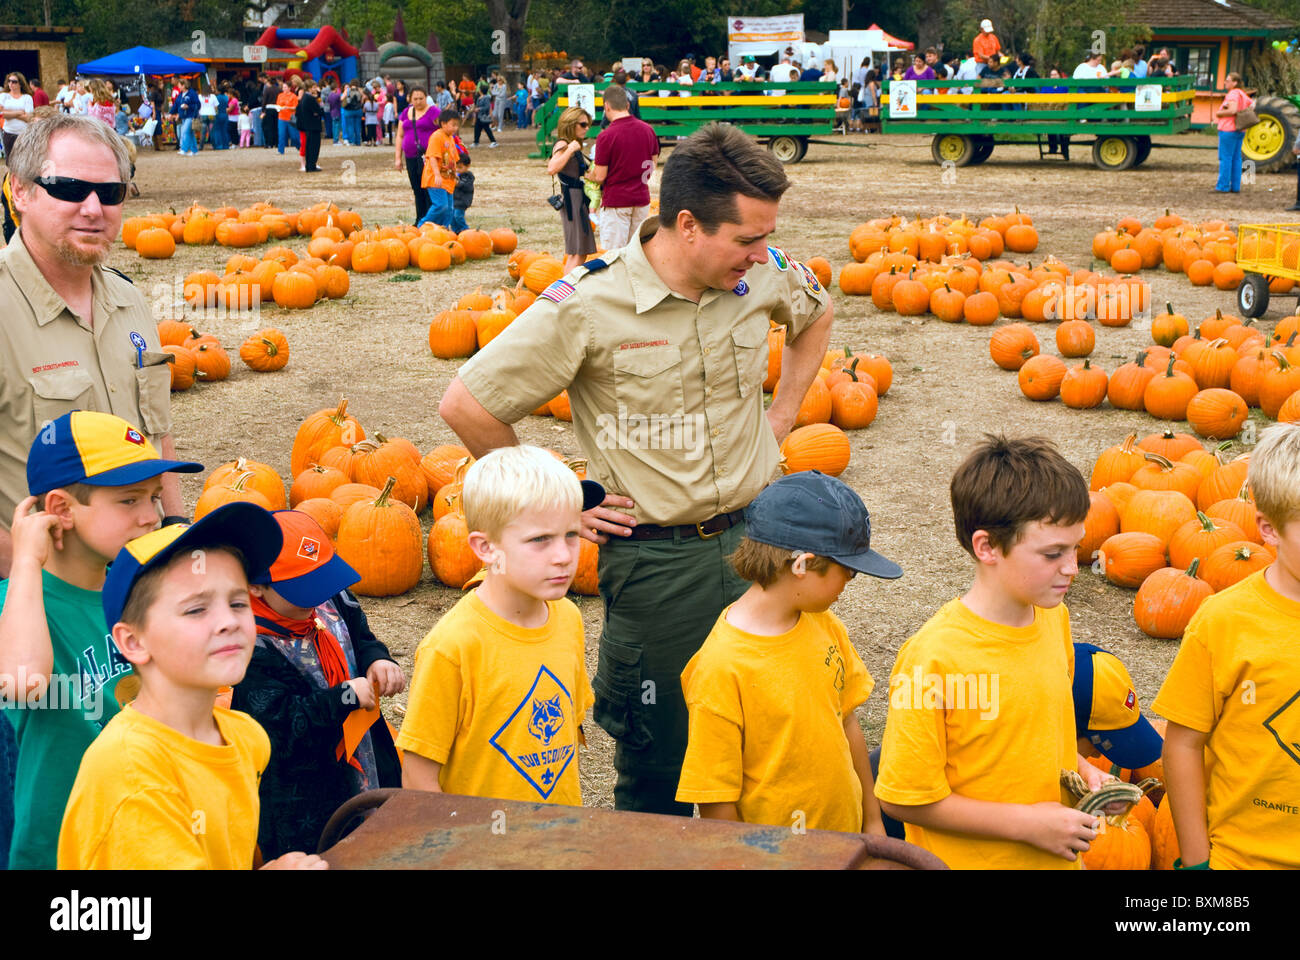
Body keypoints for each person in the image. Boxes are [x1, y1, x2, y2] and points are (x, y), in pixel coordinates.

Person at [438, 123, 834, 815]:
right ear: (687, 225)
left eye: (765, 237)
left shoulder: (762, 270)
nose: (760, 252)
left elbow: (817, 315)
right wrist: (563, 504)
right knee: (665, 765)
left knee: (766, 738)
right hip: (660, 569)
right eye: (745, 239)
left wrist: (783, 417)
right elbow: (466, 404)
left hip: (759, 542)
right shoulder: (590, 302)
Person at [875, 435, 1109, 869]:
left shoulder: (1053, 618)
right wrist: (1028, 824)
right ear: (987, 547)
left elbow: (1034, 735)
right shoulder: (933, 659)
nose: (1074, 567)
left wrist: (1082, 770)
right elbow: (903, 799)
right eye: (1053, 553)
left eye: (1076, 548)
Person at [55, 504, 327, 870]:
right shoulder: (133, 774)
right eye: (196, 609)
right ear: (133, 642)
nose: (228, 621)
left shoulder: (244, 738)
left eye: (237, 602)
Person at [0, 411, 203, 869]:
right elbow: (23, 681)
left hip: (143, 833)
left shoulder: (135, 592)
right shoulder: (17, 605)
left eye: (153, 498)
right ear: (61, 510)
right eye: (129, 501)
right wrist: (26, 563)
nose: (151, 517)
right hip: (61, 853)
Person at [0, 114, 186, 579]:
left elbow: (158, 436)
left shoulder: (129, 300)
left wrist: (178, 532)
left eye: (109, 193)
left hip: (143, 582)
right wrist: (27, 580)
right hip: (44, 598)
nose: (92, 208)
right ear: (19, 191)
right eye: (67, 188)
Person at [675, 471, 899, 831]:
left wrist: (873, 822)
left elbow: (847, 721)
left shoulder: (824, 624)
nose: (849, 583)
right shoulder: (720, 667)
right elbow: (716, 798)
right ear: (802, 565)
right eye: (848, 572)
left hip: (847, 840)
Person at [398, 447, 602, 803]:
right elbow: (418, 779)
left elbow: (562, 736)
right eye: (540, 539)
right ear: (487, 548)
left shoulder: (568, 618)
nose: (564, 555)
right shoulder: (452, 647)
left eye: (571, 534)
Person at [1152, 423, 1300, 870]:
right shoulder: (1223, 621)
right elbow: (1181, 744)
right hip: (1244, 861)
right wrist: (1197, 860)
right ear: (1269, 530)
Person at [230, 510, 404, 860]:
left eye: (322, 581)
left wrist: (376, 659)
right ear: (256, 586)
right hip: (305, 799)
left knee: (374, 839)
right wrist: (343, 698)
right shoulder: (247, 650)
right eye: (303, 590)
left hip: (364, 756)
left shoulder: (330, 599)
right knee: (329, 853)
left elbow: (358, 632)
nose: (317, 598)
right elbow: (280, 731)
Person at [590, 84, 658, 251]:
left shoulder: (606, 136)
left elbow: (599, 176)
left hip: (616, 201)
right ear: (628, 105)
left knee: (615, 254)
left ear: (606, 106)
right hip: (641, 198)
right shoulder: (648, 130)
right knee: (637, 252)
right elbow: (652, 164)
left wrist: (587, 175)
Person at [546, 107, 596, 272]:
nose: (586, 128)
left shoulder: (573, 145)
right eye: (582, 124)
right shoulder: (563, 144)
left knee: (579, 251)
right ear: (570, 124)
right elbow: (552, 167)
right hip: (572, 199)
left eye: (588, 124)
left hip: (578, 198)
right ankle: (565, 290)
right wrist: (570, 150)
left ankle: (566, 289)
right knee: (577, 252)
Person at [395, 85, 436, 222]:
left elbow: (443, 131)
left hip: (428, 157)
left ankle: (430, 219)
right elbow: (400, 135)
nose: (418, 101)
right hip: (411, 156)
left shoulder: (433, 112)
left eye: (421, 98)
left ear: (426, 97)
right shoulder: (406, 112)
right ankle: (420, 218)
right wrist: (398, 158)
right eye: (415, 99)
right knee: (417, 188)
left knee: (428, 189)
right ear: (410, 99)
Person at [417, 107, 460, 228]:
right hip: (436, 179)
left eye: (457, 125)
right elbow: (432, 157)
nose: (456, 128)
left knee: (449, 209)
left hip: (448, 179)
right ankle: (422, 225)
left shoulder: (450, 138)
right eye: (453, 125)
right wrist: (436, 174)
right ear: (443, 124)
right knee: (441, 205)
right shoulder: (437, 137)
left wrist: (455, 174)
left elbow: (452, 159)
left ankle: (443, 230)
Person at [1214, 72, 1252, 194]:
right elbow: (1252, 104)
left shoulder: (1233, 94)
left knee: (1225, 158)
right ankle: (1235, 186)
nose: (1225, 82)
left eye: (1228, 80)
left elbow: (1233, 110)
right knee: (1236, 158)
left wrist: (1219, 113)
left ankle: (1223, 186)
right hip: (1240, 129)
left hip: (1228, 129)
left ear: (1234, 82)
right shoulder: (1242, 93)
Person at [2, 73, 34, 159]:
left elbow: (28, 118)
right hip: (9, 133)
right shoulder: (3, 96)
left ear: (20, 83)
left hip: (24, 134)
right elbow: (1, 114)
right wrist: (19, 113)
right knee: (11, 161)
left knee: (25, 160)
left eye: (14, 81)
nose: (11, 83)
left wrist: (9, 113)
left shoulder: (27, 98)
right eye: (9, 81)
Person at [295, 81, 324, 172]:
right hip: (313, 125)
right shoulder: (310, 98)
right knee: (313, 147)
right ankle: (311, 165)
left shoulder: (304, 97)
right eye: (314, 87)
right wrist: (318, 111)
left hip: (307, 125)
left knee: (309, 146)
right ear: (310, 88)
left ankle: (309, 165)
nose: (316, 89)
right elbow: (319, 111)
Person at [1043, 67, 1070, 160]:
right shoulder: (1046, 86)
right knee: (1050, 125)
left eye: (1055, 74)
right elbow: (1042, 98)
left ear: (1059, 75)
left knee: (1064, 130)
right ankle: (1053, 147)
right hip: (1050, 112)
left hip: (1062, 111)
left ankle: (1065, 150)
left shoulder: (1064, 86)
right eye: (1052, 75)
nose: (1053, 76)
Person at [274, 79, 297, 155]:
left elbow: (295, 107)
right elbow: (277, 105)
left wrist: (287, 107)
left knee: (293, 135)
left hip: (290, 118)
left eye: (285, 87)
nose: (284, 89)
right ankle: (280, 150)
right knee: (281, 134)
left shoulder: (293, 96)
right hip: (281, 117)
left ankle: (299, 147)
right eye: (283, 87)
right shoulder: (280, 95)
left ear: (289, 88)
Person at [260, 73, 278, 147]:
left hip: (269, 109)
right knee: (275, 126)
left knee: (268, 126)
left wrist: (263, 110)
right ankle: (276, 142)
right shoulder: (278, 89)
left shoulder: (267, 89)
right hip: (277, 109)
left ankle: (269, 143)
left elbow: (264, 100)